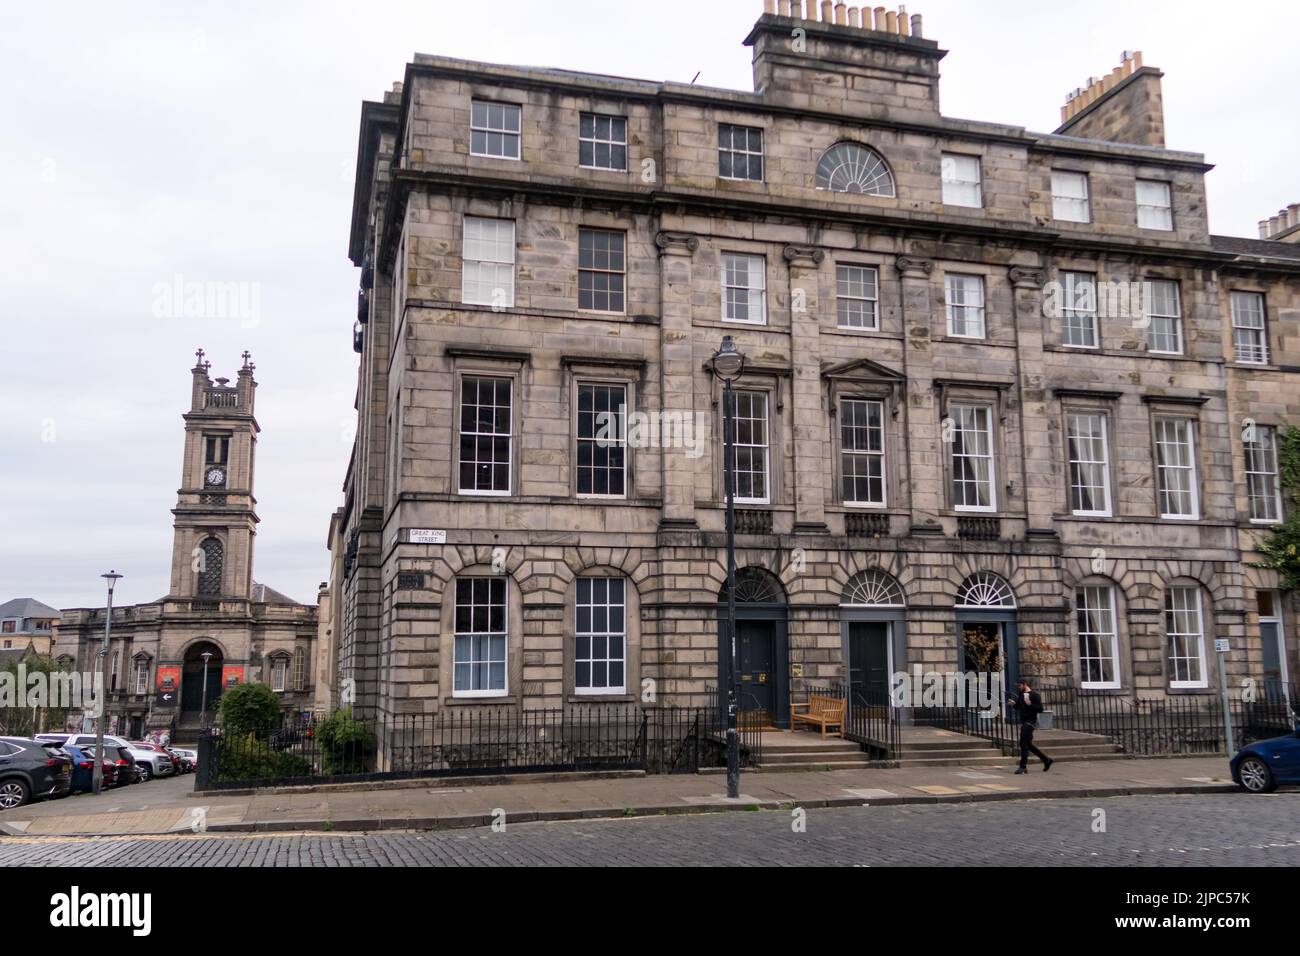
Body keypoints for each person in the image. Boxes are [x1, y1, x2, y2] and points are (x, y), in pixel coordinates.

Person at [1009, 679, 1053, 774]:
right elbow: (1018, 707)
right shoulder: (1021, 695)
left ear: (1025, 685)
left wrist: (1030, 704)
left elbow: (1040, 709)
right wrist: (1013, 704)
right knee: (1028, 745)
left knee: (1023, 743)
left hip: (1030, 722)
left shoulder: (1034, 695)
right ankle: (1046, 760)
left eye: (1019, 686)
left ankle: (1023, 766)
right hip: (1024, 722)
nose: (1018, 688)